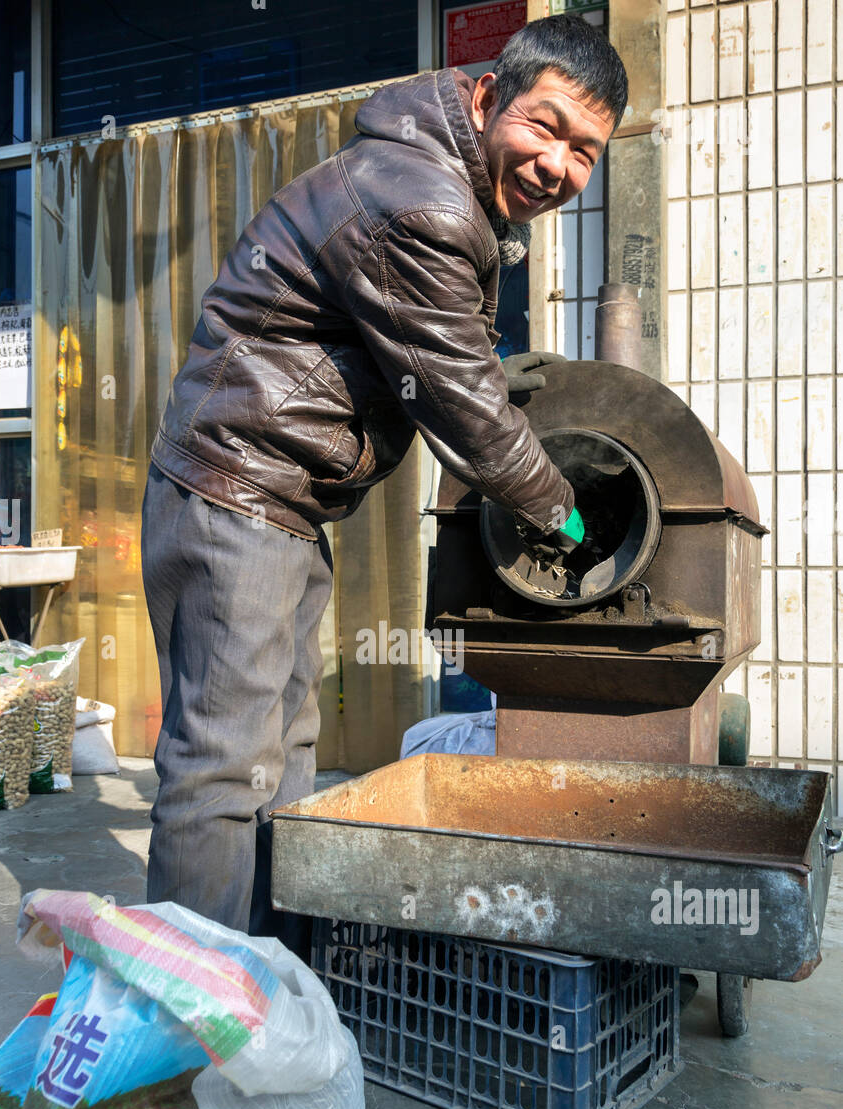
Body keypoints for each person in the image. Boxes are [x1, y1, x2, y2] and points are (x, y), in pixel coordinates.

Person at [140, 14, 628, 946]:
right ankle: (184, 1020)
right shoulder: (423, 203)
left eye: (584, 152)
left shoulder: (441, 186)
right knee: (221, 767)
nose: (557, 163)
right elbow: (468, 411)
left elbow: (463, 375)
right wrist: (569, 524)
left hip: (275, 501)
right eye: (545, 125)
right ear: (488, 96)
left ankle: (262, 982)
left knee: (278, 758)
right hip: (237, 487)